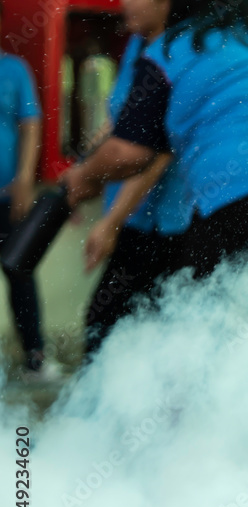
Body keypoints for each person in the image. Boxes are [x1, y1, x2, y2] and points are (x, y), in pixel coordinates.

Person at [62, 0, 248, 279]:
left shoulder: (173, 49)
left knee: (216, 322)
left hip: (243, 199)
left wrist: (82, 177)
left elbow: (128, 153)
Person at [83, 0, 189, 355]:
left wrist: (111, 222)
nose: (125, 3)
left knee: (113, 328)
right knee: (106, 329)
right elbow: (121, 123)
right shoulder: (136, 46)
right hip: (129, 219)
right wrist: (86, 172)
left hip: (164, 226)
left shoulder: (178, 51)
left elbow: (159, 151)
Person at [0, 8, 59, 380]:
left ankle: (35, 358)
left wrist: (24, 179)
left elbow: (30, 124)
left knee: (19, 271)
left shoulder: (15, 69)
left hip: (8, 197)